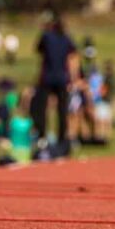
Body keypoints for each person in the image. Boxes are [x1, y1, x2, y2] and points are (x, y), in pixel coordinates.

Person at [32, 13, 78, 151]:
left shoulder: (46, 36)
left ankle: (42, 135)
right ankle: (62, 138)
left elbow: (38, 50)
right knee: (62, 109)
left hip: (48, 77)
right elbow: (73, 55)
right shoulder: (66, 38)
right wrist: (72, 78)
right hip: (62, 78)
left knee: (41, 107)